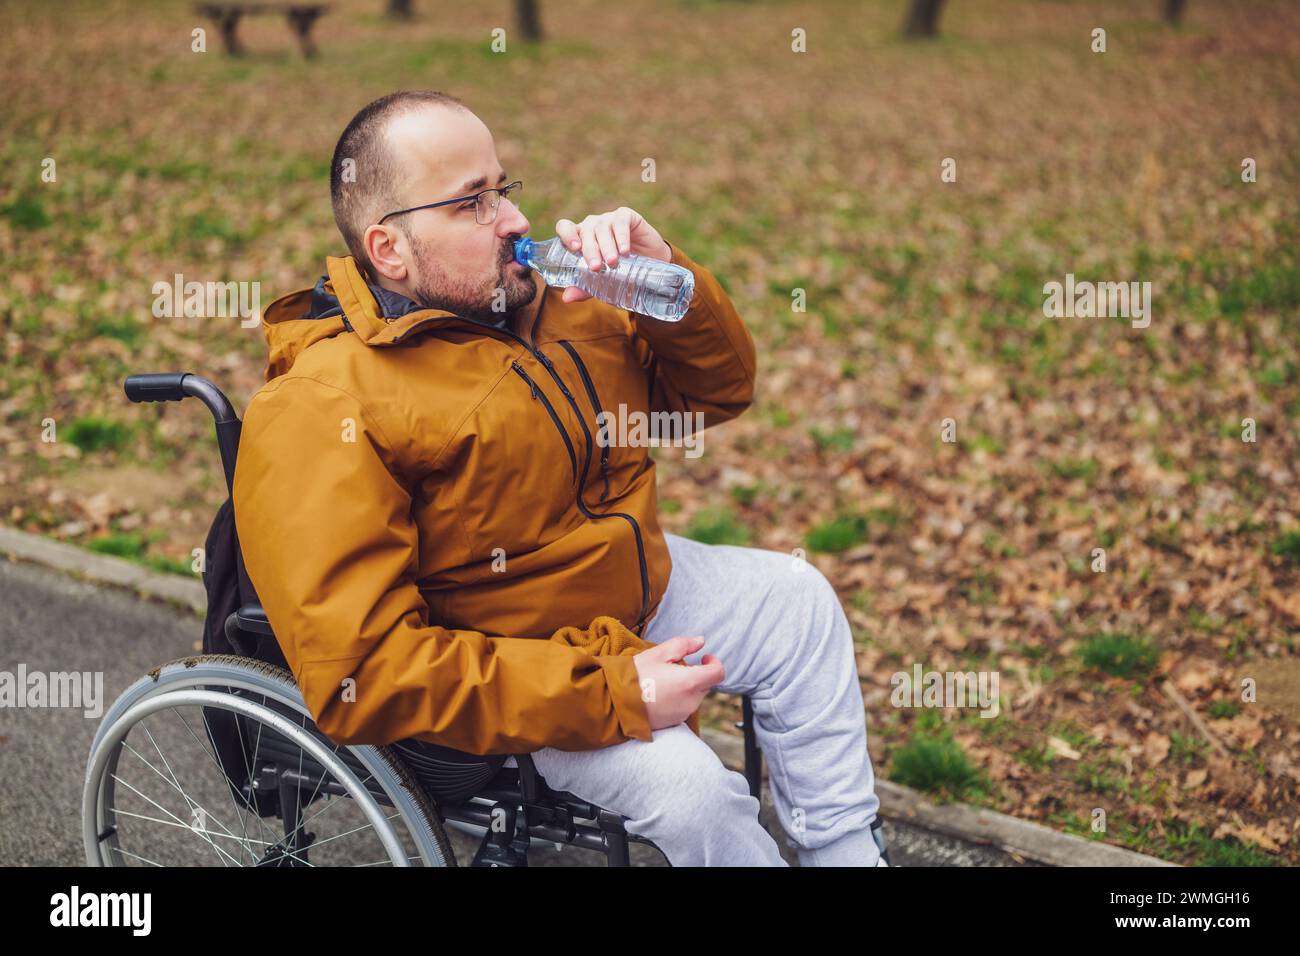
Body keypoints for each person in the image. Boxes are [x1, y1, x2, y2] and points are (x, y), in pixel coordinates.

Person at [232, 89, 884, 866]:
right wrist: (610, 692)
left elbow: (718, 392)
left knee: (796, 602)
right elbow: (364, 674)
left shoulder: (557, 306)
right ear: (389, 250)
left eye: (503, 189)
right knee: (695, 793)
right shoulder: (324, 403)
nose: (511, 220)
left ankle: (849, 856)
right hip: (515, 669)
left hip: (627, 591)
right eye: (470, 203)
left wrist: (664, 274)